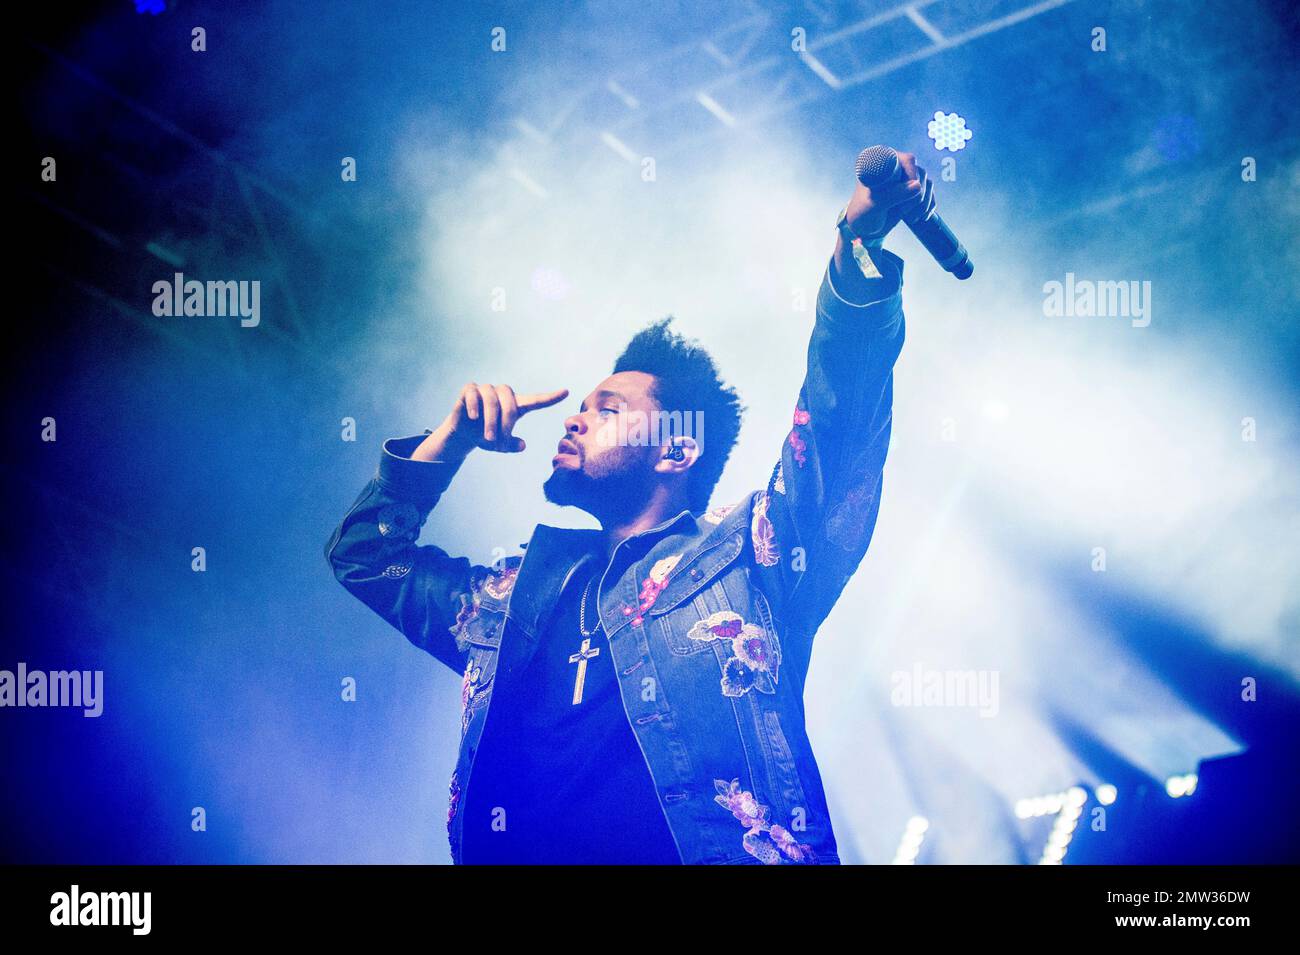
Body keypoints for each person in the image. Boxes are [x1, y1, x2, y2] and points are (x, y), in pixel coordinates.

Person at [325, 149, 932, 864]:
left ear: (677, 450)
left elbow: (838, 425)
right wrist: (449, 440)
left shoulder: (750, 559)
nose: (574, 419)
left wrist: (854, 254)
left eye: (607, 409)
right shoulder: (511, 598)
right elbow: (365, 555)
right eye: (580, 407)